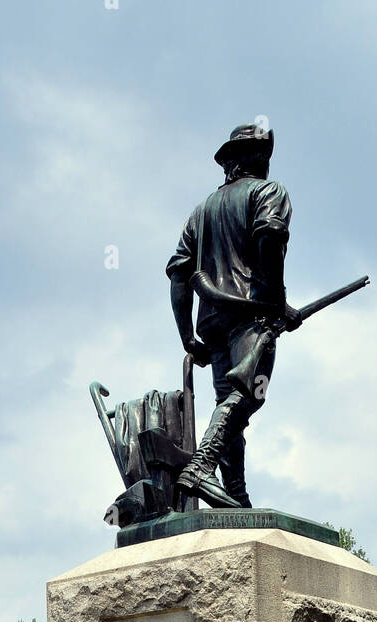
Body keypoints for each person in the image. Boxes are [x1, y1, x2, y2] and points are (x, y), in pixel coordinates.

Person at [166, 123, 301, 508]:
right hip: (251, 316)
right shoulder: (268, 193)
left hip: (212, 322)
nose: (267, 161)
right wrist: (277, 304)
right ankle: (202, 466)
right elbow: (270, 240)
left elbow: (179, 275)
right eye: (262, 154)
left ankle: (235, 497)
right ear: (250, 159)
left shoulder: (201, 212)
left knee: (230, 408)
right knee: (246, 396)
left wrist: (188, 335)